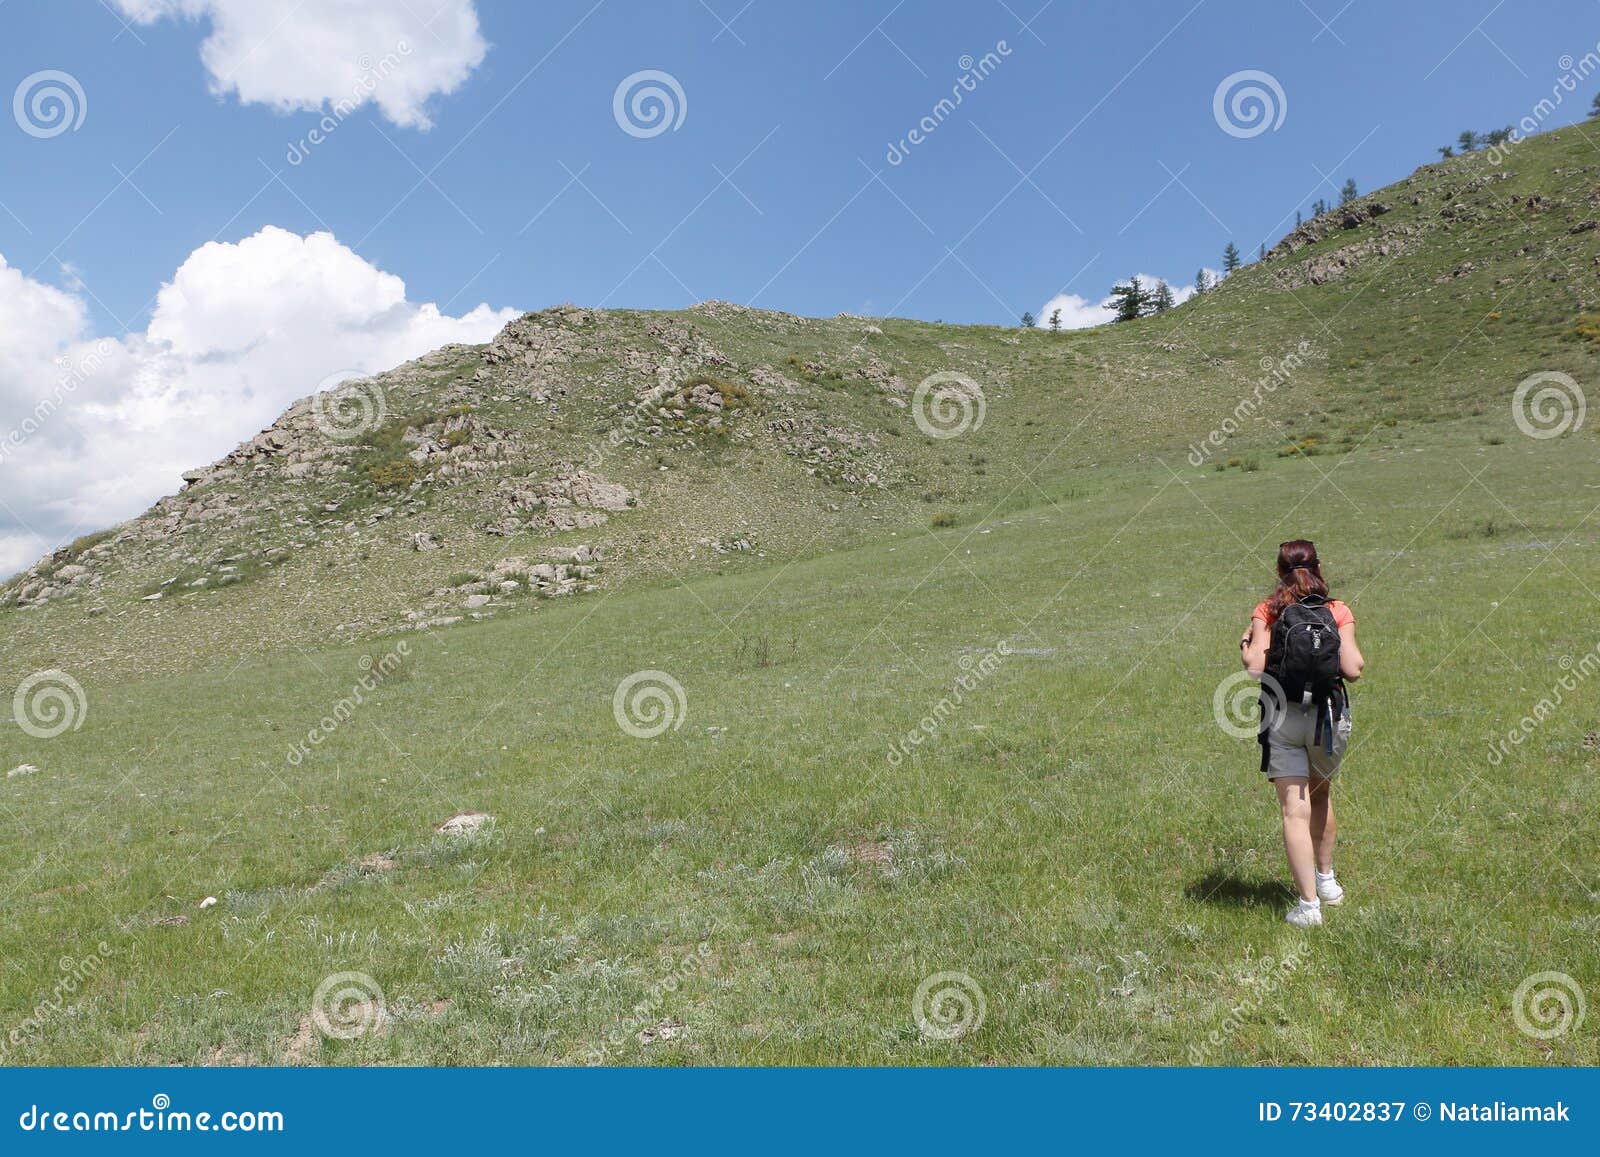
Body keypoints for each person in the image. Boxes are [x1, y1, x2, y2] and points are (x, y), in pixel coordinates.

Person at [1239, 540, 1364, 927]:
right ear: (1319, 567)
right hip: (1328, 717)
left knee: (1294, 810)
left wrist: (1246, 641)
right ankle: (1328, 883)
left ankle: (1308, 908)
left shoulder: (1268, 610)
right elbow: (1354, 668)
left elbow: (1254, 667)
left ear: (1279, 572)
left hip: (1283, 716)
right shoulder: (1337, 610)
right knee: (1321, 794)